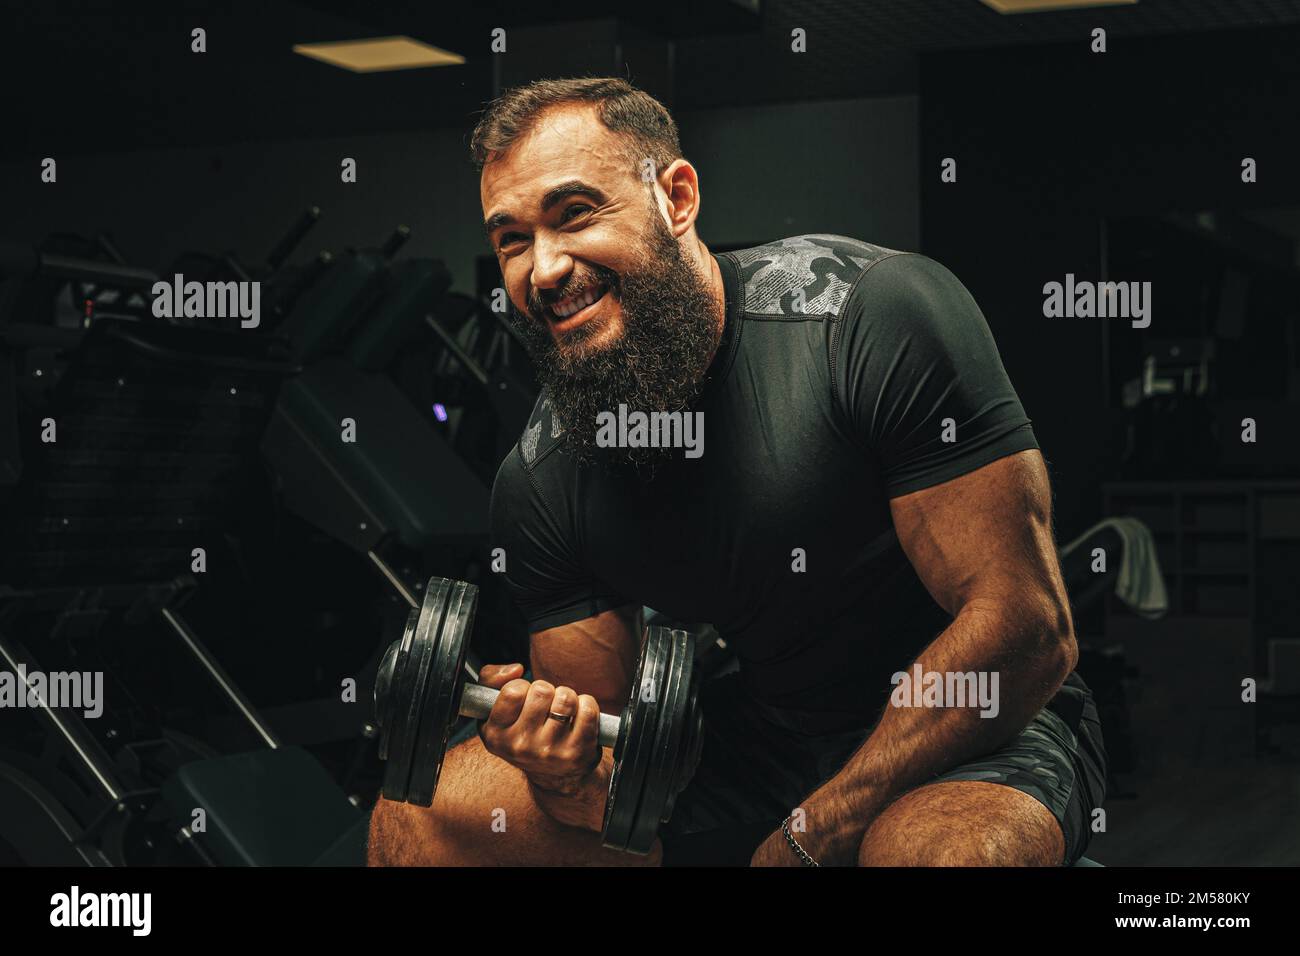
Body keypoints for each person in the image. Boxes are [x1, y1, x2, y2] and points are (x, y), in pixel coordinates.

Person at [367, 77, 1106, 867]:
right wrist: (560, 768)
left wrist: (806, 837)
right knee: (424, 820)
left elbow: (1025, 626)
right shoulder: (544, 477)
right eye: (511, 239)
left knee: (936, 859)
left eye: (574, 214)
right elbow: (609, 761)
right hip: (762, 742)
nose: (542, 269)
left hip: (982, 724)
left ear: (675, 197)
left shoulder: (869, 318)